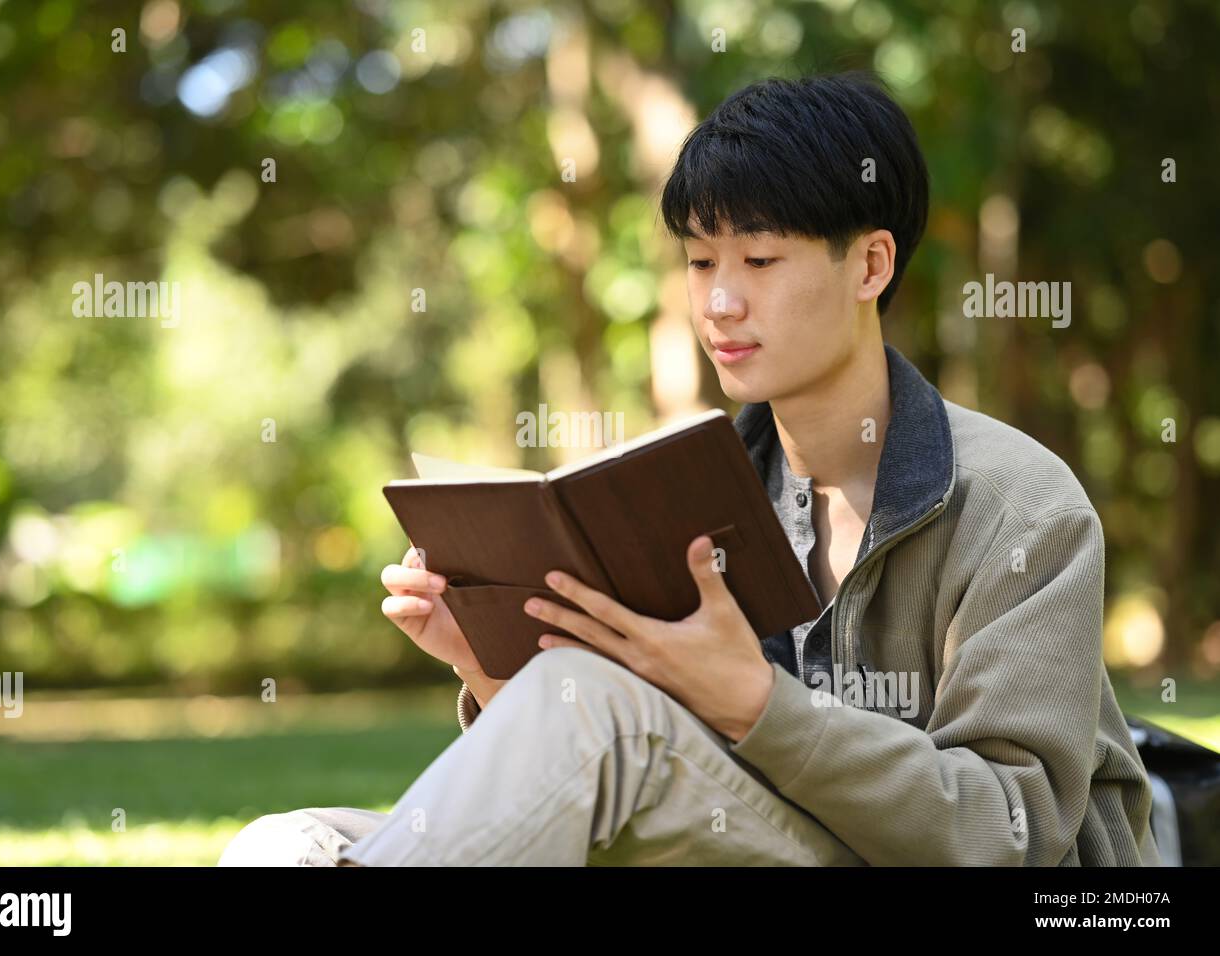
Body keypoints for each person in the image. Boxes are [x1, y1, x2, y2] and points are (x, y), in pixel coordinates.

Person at [217, 72, 1159, 867]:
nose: (717, 301)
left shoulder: (1018, 503)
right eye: (699, 259)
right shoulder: (698, 494)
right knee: (283, 843)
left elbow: (1014, 833)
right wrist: (490, 663)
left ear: (870, 264)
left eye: (757, 258)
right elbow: (655, 772)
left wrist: (755, 702)